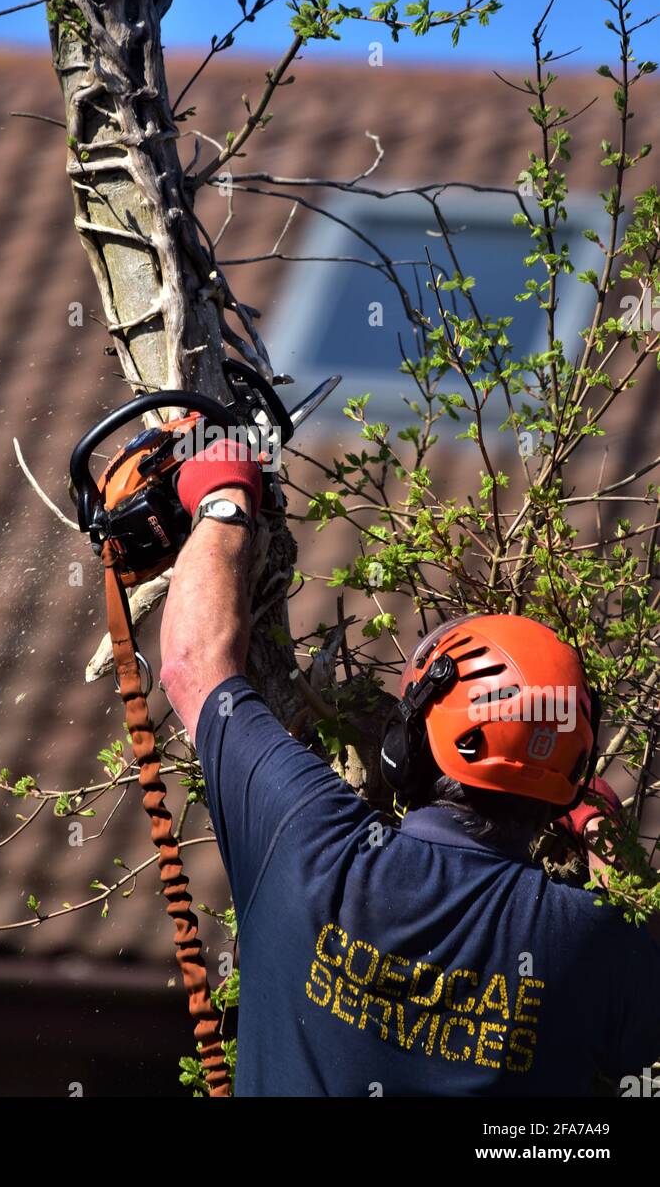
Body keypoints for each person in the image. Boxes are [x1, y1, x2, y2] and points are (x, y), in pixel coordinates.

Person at [159, 442, 660, 1098]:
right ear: (570, 775)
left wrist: (224, 488)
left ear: (408, 746)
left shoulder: (308, 838)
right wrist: (599, 835)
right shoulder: (589, 942)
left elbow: (192, 664)